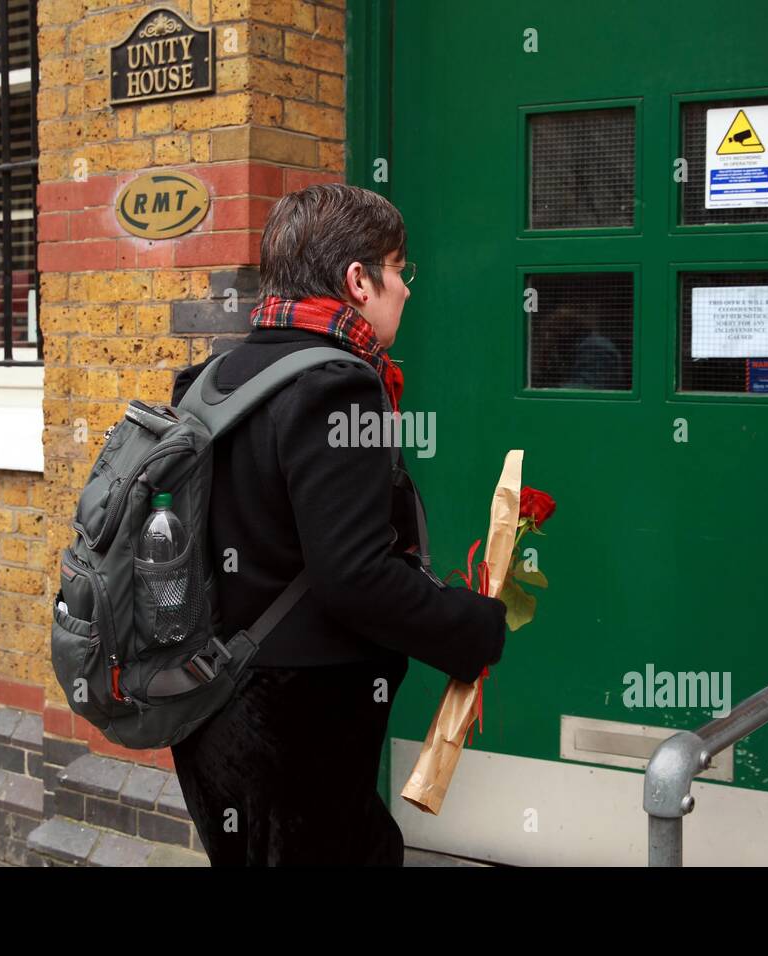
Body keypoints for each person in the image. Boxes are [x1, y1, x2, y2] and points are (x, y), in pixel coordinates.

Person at [168, 183, 507, 866]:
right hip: (296, 723)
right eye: (398, 268)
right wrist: (472, 627)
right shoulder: (336, 385)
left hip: (210, 704)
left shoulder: (215, 378)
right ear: (358, 280)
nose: (407, 289)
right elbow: (352, 575)